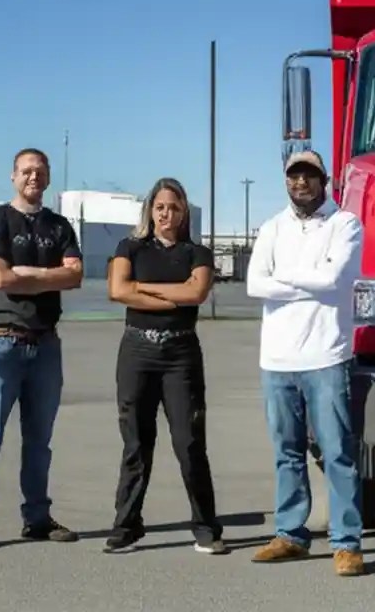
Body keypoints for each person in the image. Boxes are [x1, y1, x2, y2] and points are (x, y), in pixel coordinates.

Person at [246, 150, 368, 576]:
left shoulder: (345, 224)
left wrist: (282, 278)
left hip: (326, 356)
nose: (301, 183)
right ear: (286, 181)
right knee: (287, 452)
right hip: (277, 360)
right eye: (294, 176)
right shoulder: (272, 228)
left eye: (309, 176)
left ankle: (346, 543)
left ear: (324, 180)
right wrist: (308, 279)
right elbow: (254, 284)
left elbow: (334, 279)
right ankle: (290, 534)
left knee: (337, 453)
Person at [0, 148, 83, 552]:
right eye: (27, 171)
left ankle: (37, 518)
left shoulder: (59, 226)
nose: (34, 177)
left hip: (45, 346)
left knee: (39, 441)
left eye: (40, 171)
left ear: (48, 178)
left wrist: (28, 273)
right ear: (13, 176)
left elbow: (75, 276)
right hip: (2, 343)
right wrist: (49, 276)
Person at [103, 177, 225, 554]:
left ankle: (205, 526)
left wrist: (143, 289)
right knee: (136, 442)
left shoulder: (197, 253)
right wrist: (174, 297)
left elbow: (197, 292)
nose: (166, 214)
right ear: (150, 211)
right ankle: (127, 525)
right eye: (160, 207)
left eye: (173, 207)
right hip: (137, 351)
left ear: (183, 211)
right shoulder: (130, 247)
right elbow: (118, 290)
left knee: (189, 443)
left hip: (180, 355)